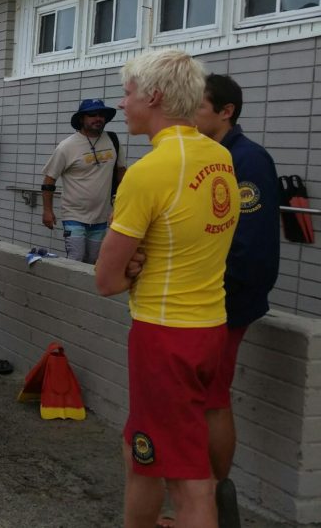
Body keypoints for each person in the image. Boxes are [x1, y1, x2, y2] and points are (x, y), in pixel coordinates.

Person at [95, 50, 240, 528]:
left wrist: (133, 267)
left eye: (129, 93)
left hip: (165, 334)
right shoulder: (219, 155)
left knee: (190, 483)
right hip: (208, 326)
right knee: (142, 447)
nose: (123, 102)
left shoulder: (149, 171)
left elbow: (106, 280)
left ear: (154, 96)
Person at [192, 73, 280, 525]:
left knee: (212, 398)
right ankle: (200, 498)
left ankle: (212, 499)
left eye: (199, 106)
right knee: (200, 397)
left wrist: (222, 299)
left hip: (225, 303)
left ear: (225, 111)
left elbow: (252, 248)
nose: (191, 115)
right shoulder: (208, 156)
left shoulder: (248, 160)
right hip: (201, 301)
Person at [41, 99, 126, 264]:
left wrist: (122, 205)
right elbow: (49, 180)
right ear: (81, 119)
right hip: (74, 216)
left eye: (101, 115)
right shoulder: (66, 146)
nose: (98, 118)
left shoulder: (113, 141)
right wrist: (47, 211)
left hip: (102, 216)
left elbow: (122, 173)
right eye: (92, 115)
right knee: (76, 260)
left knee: (94, 261)